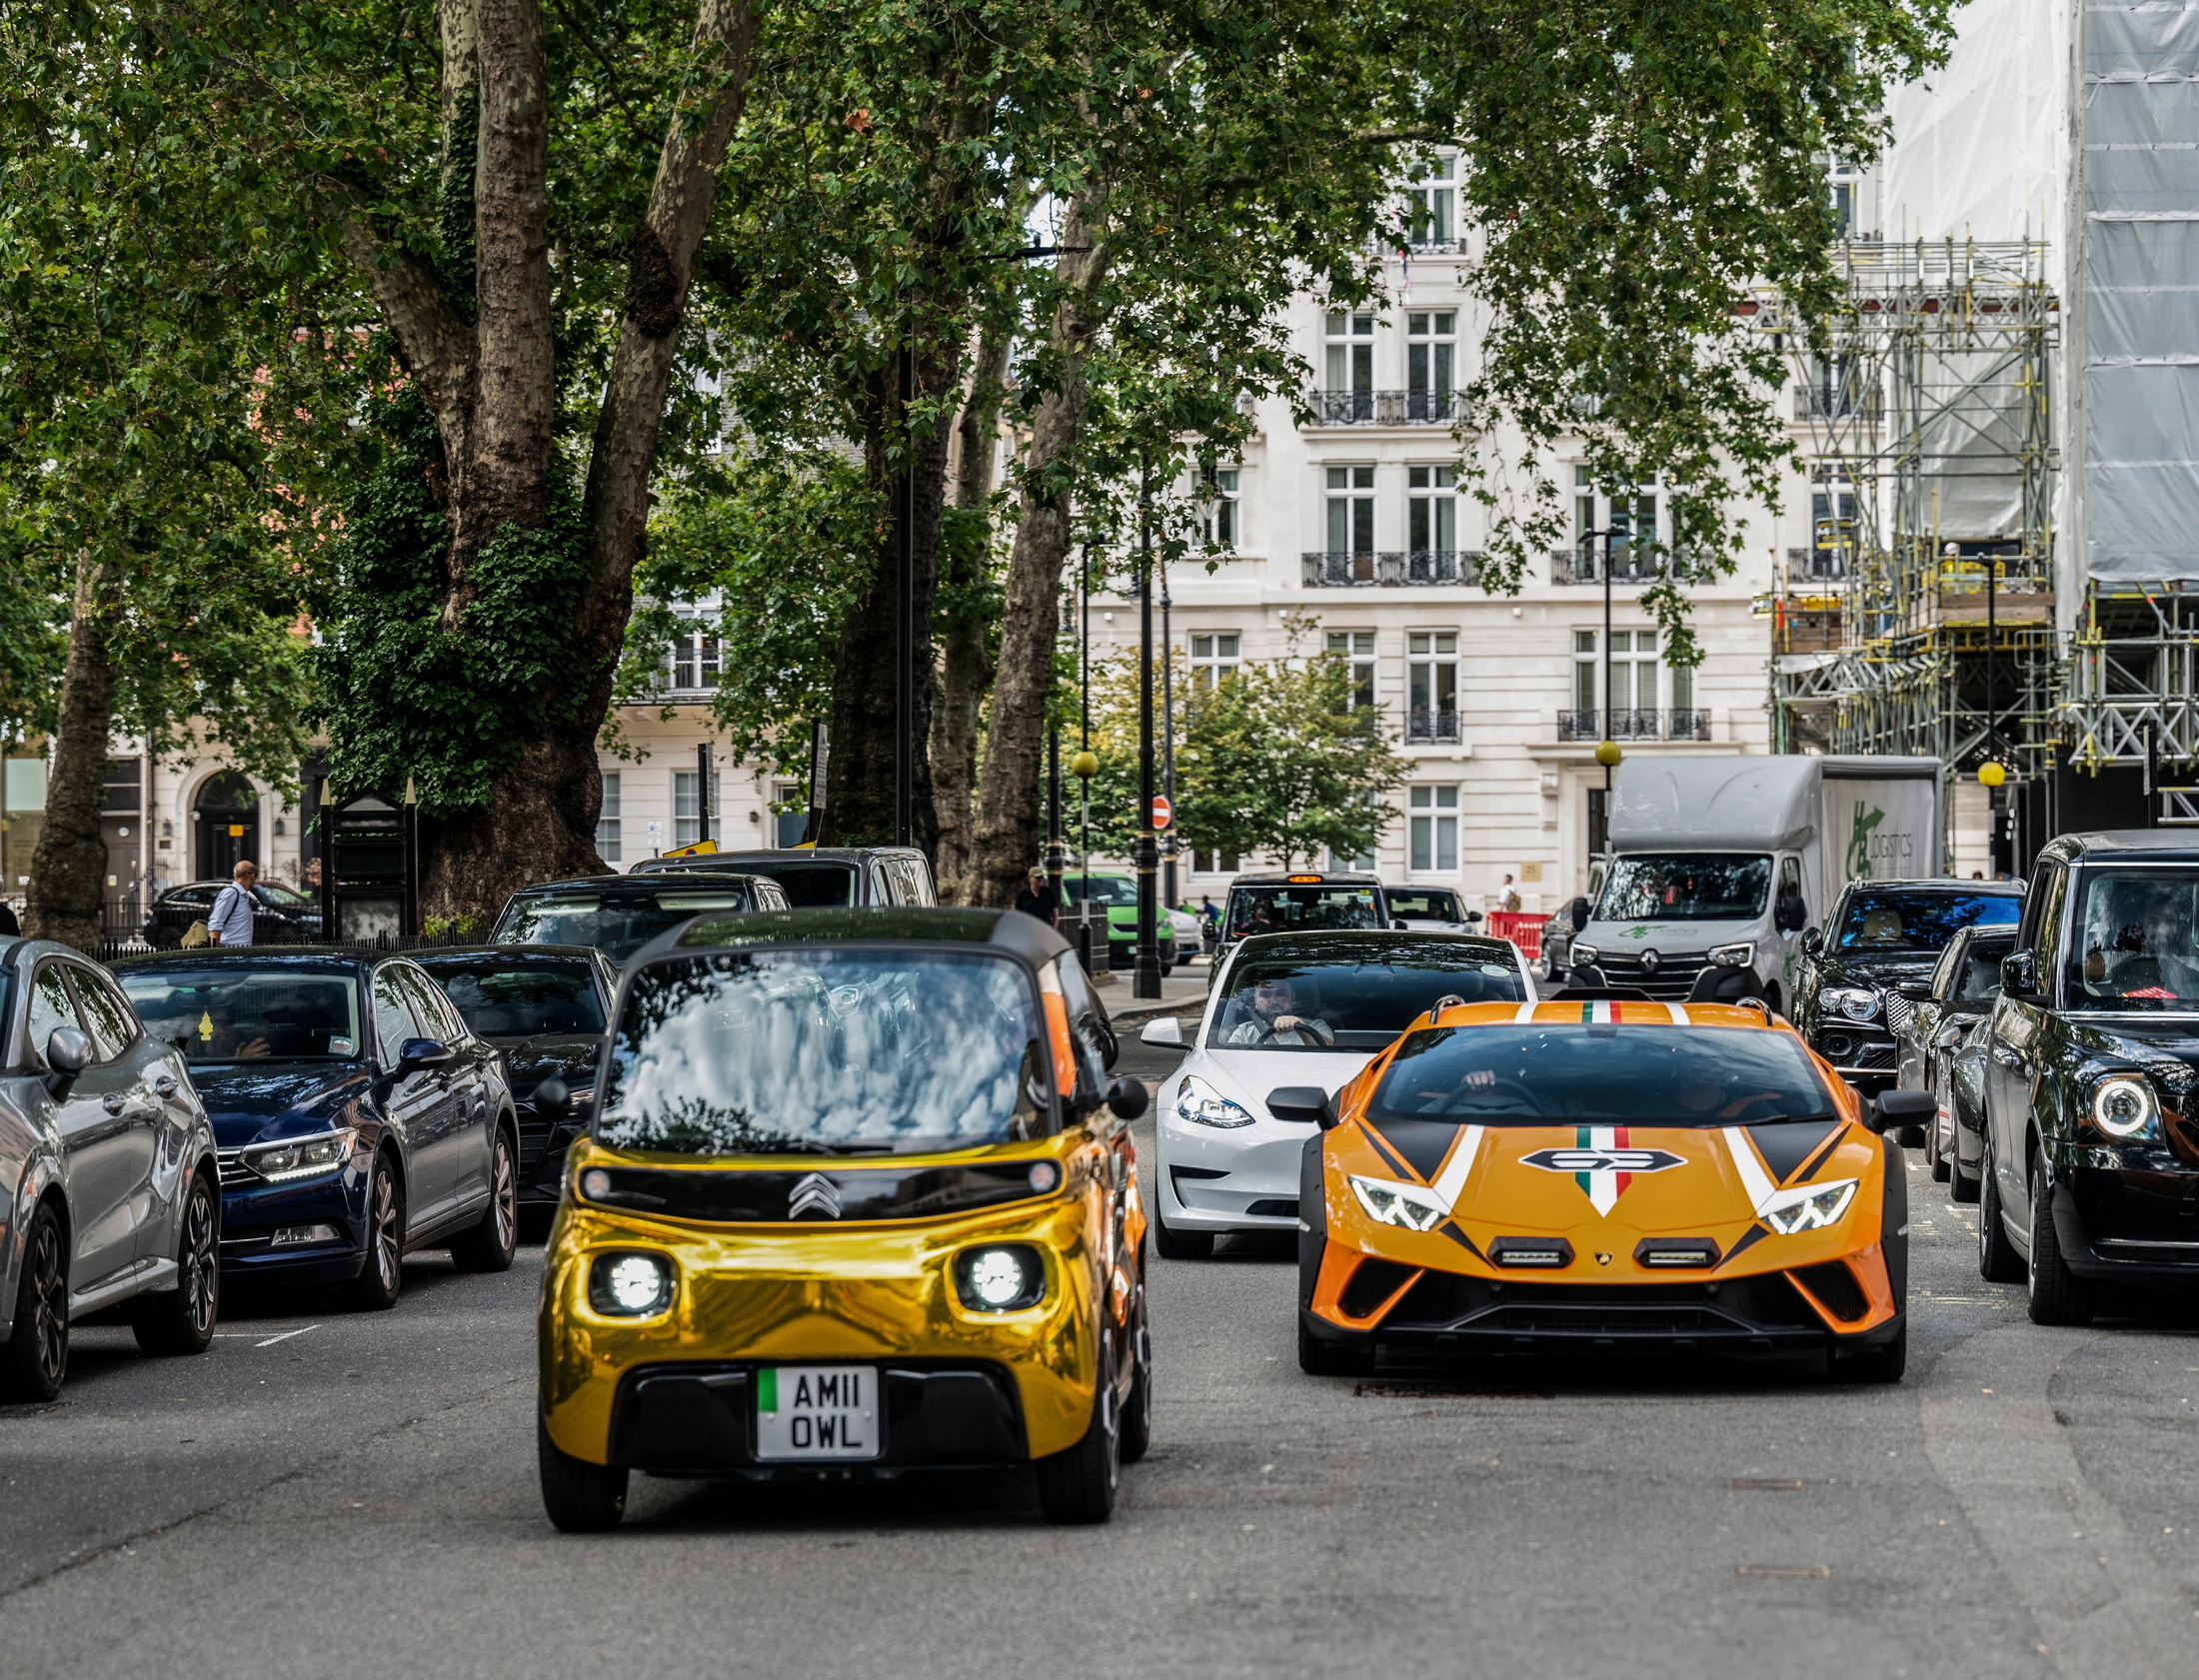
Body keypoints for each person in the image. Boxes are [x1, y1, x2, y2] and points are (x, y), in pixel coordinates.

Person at [1226, 975, 1335, 1046]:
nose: (1273, 1001)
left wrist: (1302, 1028)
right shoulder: (1244, 1032)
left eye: (1280, 994)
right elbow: (1227, 1061)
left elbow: (1329, 1053)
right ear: (1256, 1001)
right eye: (1265, 995)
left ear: (1292, 998)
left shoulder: (1316, 1026)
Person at [207, 859, 259, 947]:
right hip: (230, 952)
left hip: (240, 951)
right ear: (252, 875)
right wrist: (212, 955)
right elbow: (215, 925)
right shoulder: (231, 893)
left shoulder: (242, 895)